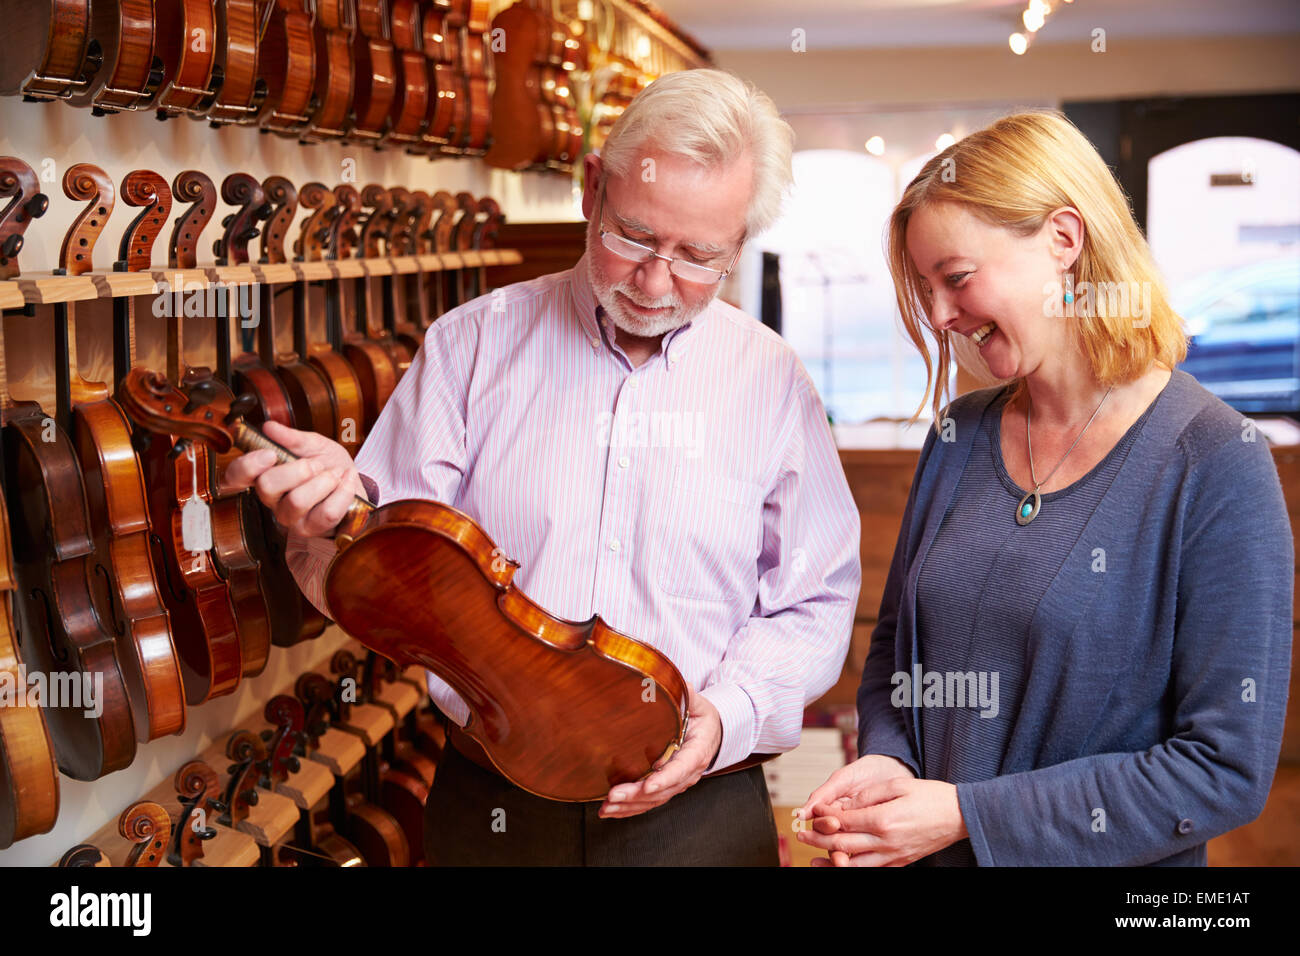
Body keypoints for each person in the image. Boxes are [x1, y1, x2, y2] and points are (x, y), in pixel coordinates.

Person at [225, 68, 862, 865]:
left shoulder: (774, 382)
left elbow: (815, 602)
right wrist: (326, 523)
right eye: (633, 236)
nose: (657, 283)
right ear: (592, 187)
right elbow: (362, 581)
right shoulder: (471, 345)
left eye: (700, 256)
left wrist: (726, 716)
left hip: (699, 813)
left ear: (739, 244)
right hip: (492, 807)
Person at [797, 110, 1293, 866]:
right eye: (927, 287)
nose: (939, 317)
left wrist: (968, 815)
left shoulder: (1216, 460)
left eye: (956, 279)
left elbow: (1222, 770)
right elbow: (899, 650)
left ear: (1064, 240)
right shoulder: (958, 436)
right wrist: (891, 759)